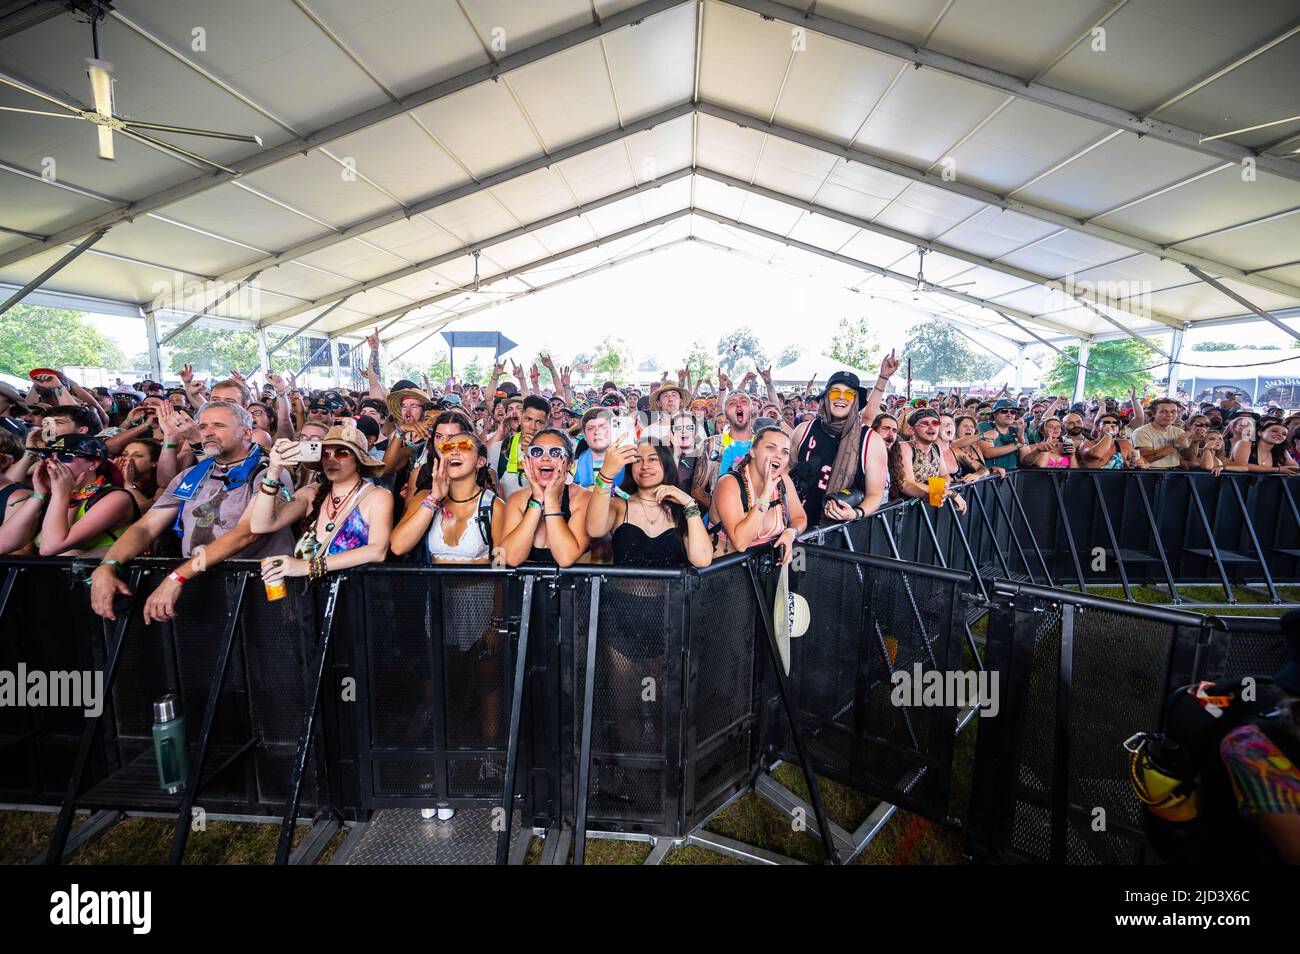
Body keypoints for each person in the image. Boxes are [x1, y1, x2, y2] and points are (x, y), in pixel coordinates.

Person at [88, 401, 296, 623]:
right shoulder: (190, 476)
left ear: (245, 433)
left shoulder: (269, 472)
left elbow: (247, 532)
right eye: (203, 426)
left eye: (218, 425)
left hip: (259, 590)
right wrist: (109, 565)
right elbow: (146, 527)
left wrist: (178, 576)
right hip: (202, 586)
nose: (208, 432)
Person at [253, 426, 392, 583]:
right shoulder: (311, 493)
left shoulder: (376, 496)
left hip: (353, 600)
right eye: (325, 454)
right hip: (308, 601)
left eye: (341, 453)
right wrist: (273, 471)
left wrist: (307, 567)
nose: (331, 459)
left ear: (359, 460)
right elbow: (260, 525)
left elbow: (378, 551)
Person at [586, 439, 712, 569]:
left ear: (666, 464)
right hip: (622, 589)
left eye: (652, 459)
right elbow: (594, 530)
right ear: (630, 468)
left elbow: (702, 560)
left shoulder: (681, 509)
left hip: (674, 589)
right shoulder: (619, 505)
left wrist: (689, 504)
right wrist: (606, 474)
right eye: (638, 460)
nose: (645, 466)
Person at [1, 435, 136, 557]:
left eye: (64, 456)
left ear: (93, 463)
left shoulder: (116, 498)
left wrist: (62, 494)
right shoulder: (54, 494)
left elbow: (49, 548)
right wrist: (39, 494)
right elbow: (3, 545)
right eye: (48, 457)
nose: (52, 462)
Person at [389, 431, 506, 563]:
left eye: (464, 446)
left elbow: (500, 565)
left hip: (481, 584)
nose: (454, 452)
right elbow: (397, 547)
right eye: (448, 448)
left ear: (480, 461)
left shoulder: (493, 506)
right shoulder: (424, 497)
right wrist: (434, 498)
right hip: (434, 584)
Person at [709, 424, 806, 563]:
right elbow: (741, 543)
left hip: (765, 572)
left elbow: (800, 517)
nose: (778, 455)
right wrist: (765, 495)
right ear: (752, 451)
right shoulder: (729, 483)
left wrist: (791, 532)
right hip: (727, 575)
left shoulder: (783, 480)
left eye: (785, 452)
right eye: (771, 448)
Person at [500, 428, 591, 567]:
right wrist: (537, 499)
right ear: (528, 461)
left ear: (569, 463)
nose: (545, 458)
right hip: (524, 588)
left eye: (555, 452)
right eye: (537, 452)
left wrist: (550, 500)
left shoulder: (584, 499)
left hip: (569, 587)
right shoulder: (516, 500)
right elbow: (511, 558)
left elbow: (565, 558)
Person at [890, 408, 967, 511]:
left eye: (935, 423)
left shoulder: (936, 447)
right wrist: (949, 493)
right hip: (903, 511)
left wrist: (941, 491)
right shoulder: (905, 447)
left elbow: (944, 475)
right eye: (925, 424)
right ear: (912, 430)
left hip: (929, 508)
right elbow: (906, 484)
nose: (931, 427)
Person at [1132, 398, 1190, 469]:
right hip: (1150, 472)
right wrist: (1175, 446)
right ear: (1153, 414)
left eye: (1173, 412)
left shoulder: (1179, 432)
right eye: (1163, 412)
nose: (1169, 415)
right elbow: (1146, 458)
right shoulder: (1141, 432)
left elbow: (1187, 457)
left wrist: (1195, 442)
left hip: (1175, 472)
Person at [1231, 419, 1300, 475]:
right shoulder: (1245, 442)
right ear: (1260, 433)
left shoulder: (1281, 450)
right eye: (1274, 431)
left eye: (1284, 434)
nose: (1279, 435)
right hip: (1236, 485)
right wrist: (1277, 469)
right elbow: (1242, 466)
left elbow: (1294, 467)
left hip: (1265, 487)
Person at [978, 399, 1029, 472]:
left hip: (1013, 477)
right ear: (995, 414)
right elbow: (988, 453)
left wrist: (1040, 449)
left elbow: (1025, 460)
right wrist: (1018, 444)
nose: (1009, 415)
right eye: (1004, 411)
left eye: (1013, 412)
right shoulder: (984, 426)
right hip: (991, 477)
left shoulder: (1018, 430)